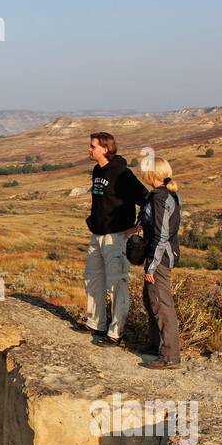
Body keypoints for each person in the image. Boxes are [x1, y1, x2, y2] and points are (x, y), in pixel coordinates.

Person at [79, 132, 146, 343]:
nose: (89, 149)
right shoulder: (97, 169)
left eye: (92, 146)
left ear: (105, 149)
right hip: (97, 235)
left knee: (117, 284)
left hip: (116, 237)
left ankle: (116, 332)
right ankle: (96, 324)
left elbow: (146, 198)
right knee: (93, 279)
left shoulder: (122, 174)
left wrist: (138, 227)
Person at [137, 155, 182, 368]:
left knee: (162, 305)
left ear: (152, 173)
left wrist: (152, 266)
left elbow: (162, 235)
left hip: (160, 258)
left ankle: (170, 356)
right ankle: (155, 345)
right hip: (157, 255)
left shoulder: (161, 198)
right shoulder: (163, 194)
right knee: (151, 300)